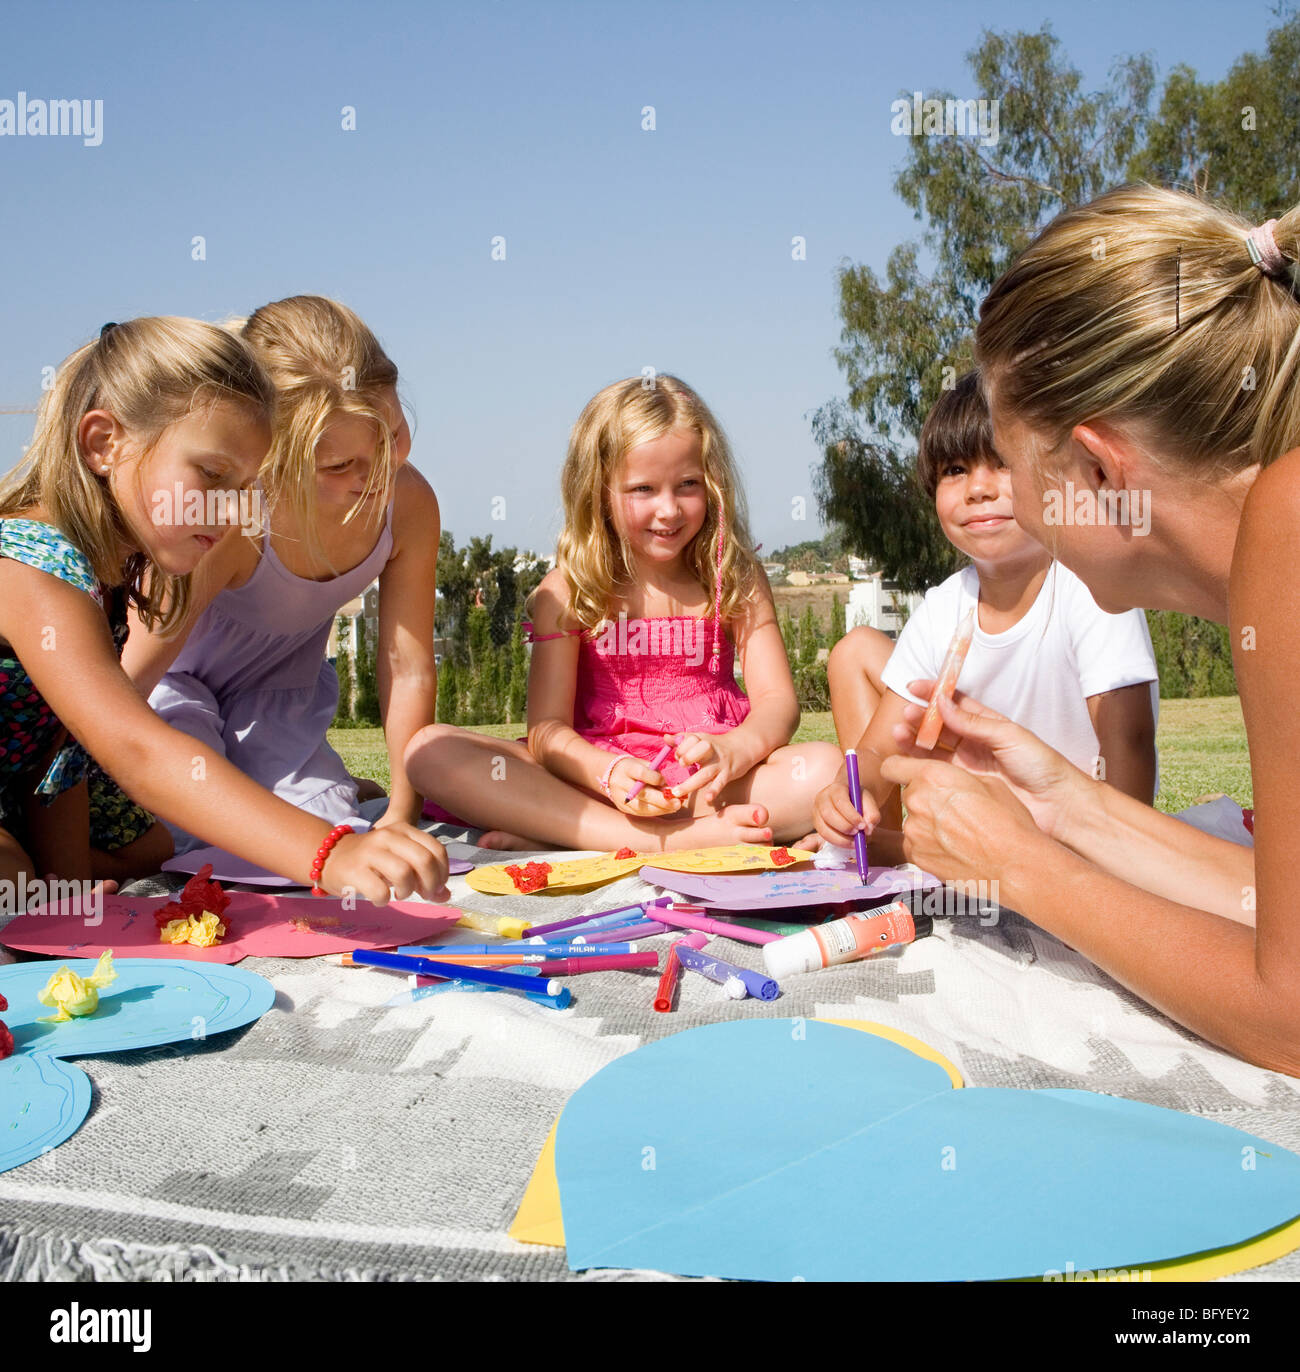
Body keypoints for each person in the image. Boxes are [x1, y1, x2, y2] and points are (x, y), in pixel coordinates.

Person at [861, 186, 1300, 1075]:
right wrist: (1073, 806)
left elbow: (1290, 1016)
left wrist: (1023, 869)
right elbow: (1274, 911)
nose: (1009, 500)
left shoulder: (1287, 528)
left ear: (1097, 468)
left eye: (1016, 467)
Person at [0, 316, 447, 909]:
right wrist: (329, 852)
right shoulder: (35, 568)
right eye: (211, 476)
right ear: (104, 444)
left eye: (247, 485)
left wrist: (66, 892)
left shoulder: (107, 574)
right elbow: (133, 750)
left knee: (141, 854)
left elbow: (61, 758)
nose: (232, 508)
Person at [406, 375, 842, 850]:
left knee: (826, 769)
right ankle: (663, 841)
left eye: (688, 484)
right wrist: (607, 772)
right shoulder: (570, 589)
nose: (669, 509)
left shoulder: (734, 575)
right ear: (599, 492)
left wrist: (736, 747)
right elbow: (547, 731)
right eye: (643, 489)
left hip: (704, 782)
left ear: (713, 483)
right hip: (591, 780)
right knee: (429, 751)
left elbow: (779, 703)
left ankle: (567, 835)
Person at [121, 297, 442, 876]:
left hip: (278, 698)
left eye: (391, 436)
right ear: (272, 458)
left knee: (328, 828)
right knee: (201, 834)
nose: (374, 476)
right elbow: (128, 685)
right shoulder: (232, 519)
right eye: (339, 466)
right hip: (176, 689)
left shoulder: (409, 503)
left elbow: (409, 665)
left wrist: (403, 807)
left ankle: (343, 785)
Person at [817, 371, 1158, 864]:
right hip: (982, 832)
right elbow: (877, 751)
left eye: (1001, 463)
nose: (977, 488)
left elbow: (1129, 743)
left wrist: (1116, 863)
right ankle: (878, 848)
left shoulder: (1091, 587)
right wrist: (846, 794)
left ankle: (894, 851)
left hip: (1084, 839)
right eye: (955, 470)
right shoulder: (944, 608)